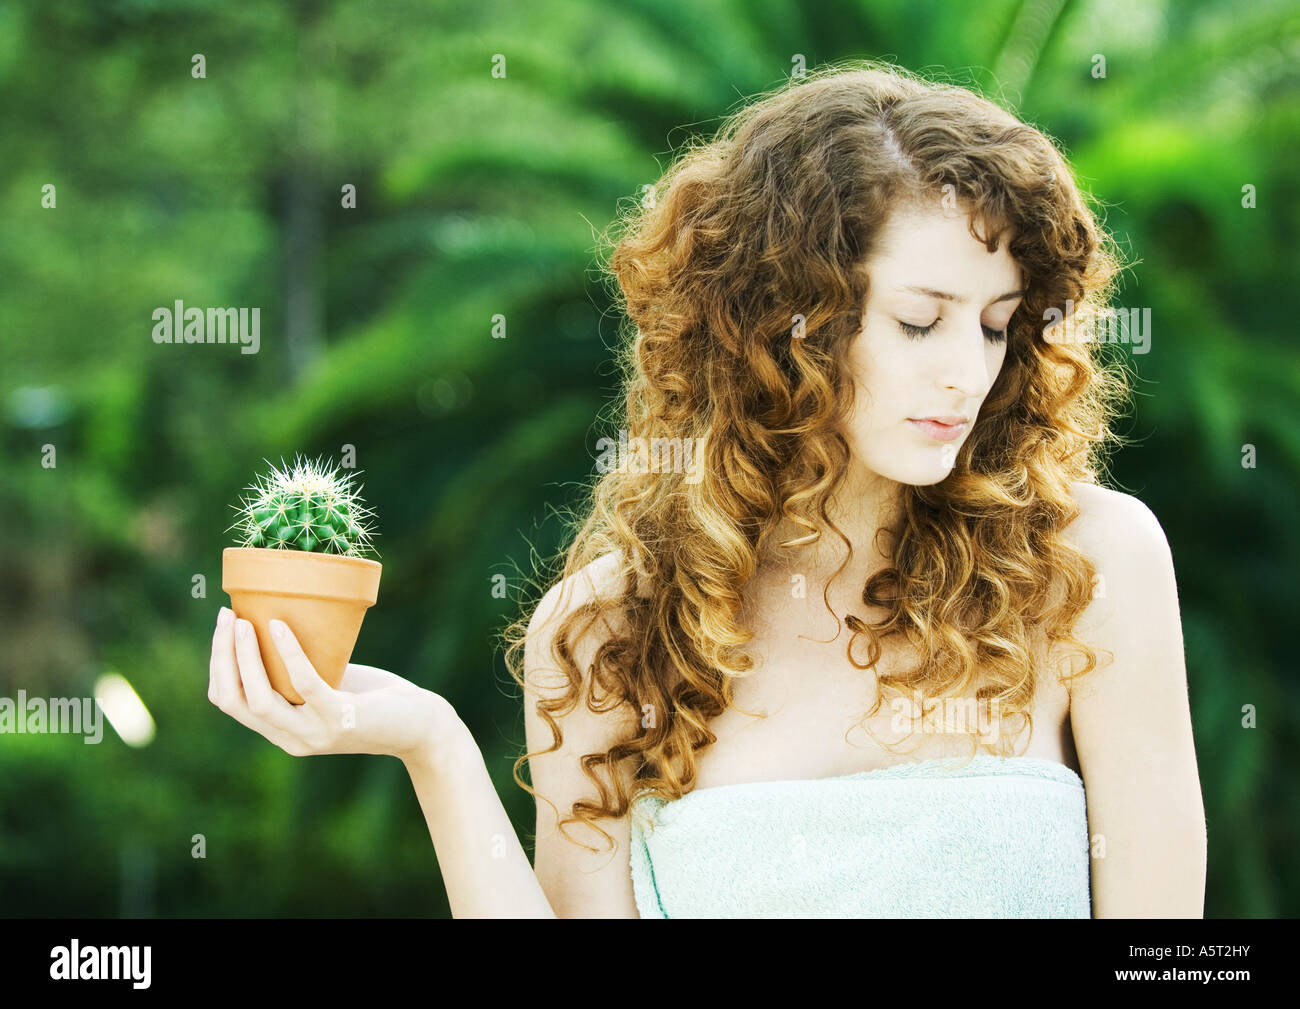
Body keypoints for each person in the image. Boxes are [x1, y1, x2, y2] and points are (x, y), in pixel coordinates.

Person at [208, 61, 1206, 918]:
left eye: (994, 324)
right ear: (788, 320)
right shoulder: (607, 637)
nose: (966, 370)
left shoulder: (1088, 560)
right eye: (919, 319)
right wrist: (430, 743)